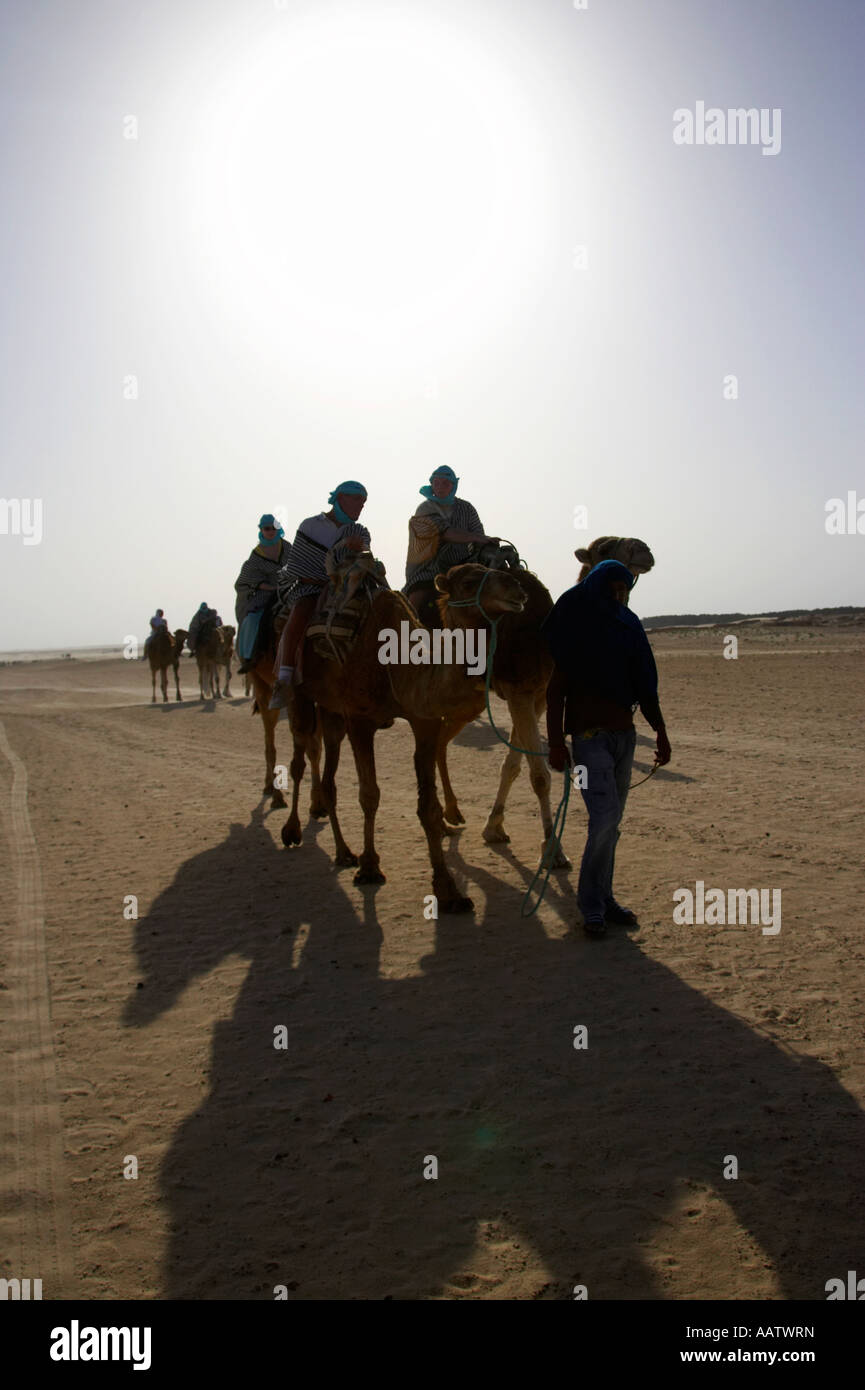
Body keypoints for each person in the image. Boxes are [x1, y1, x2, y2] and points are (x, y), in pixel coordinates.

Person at [542, 558, 671, 937]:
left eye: (624, 590)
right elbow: (555, 694)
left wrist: (660, 733)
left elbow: (645, 685)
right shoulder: (576, 631)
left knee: (611, 825)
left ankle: (606, 898)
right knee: (603, 820)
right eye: (613, 590)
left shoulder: (626, 626)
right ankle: (592, 907)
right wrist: (554, 743)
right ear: (598, 587)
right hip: (587, 740)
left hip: (624, 738)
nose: (619, 596)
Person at [268, 482, 370, 711]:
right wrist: (324, 578)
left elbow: (365, 556)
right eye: (358, 500)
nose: (361, 506)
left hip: (347, 587)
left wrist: (359, 550)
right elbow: (299, 564)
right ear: (341, 498)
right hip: (310, 586)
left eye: (364, 503)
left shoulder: (360, 531)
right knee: (301, 611)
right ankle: (284, 679)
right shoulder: (311, 525)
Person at [403, 466, 499, 614]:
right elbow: (447, 533)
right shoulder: (425, 508)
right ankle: (406, 630)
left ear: (453, 486)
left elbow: (479, 535)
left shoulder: (467, 508)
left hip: (462, 566)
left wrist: (488, 543)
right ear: (432, 485)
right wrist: (477, 538)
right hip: (429, 567)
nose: (440, 487)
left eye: (445, 483)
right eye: (437, 483)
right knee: (418, 594)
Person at [234, 514, 289, 673]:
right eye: (267, 529)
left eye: (273, 528)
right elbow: (247, 578)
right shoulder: (256, 554)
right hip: (264, 595)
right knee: (252, 620)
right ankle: (249, 657)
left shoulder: (287, 548)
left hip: (289, 589)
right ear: (261, 530)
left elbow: (297, 566)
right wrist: (270, 587)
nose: (270, 531)